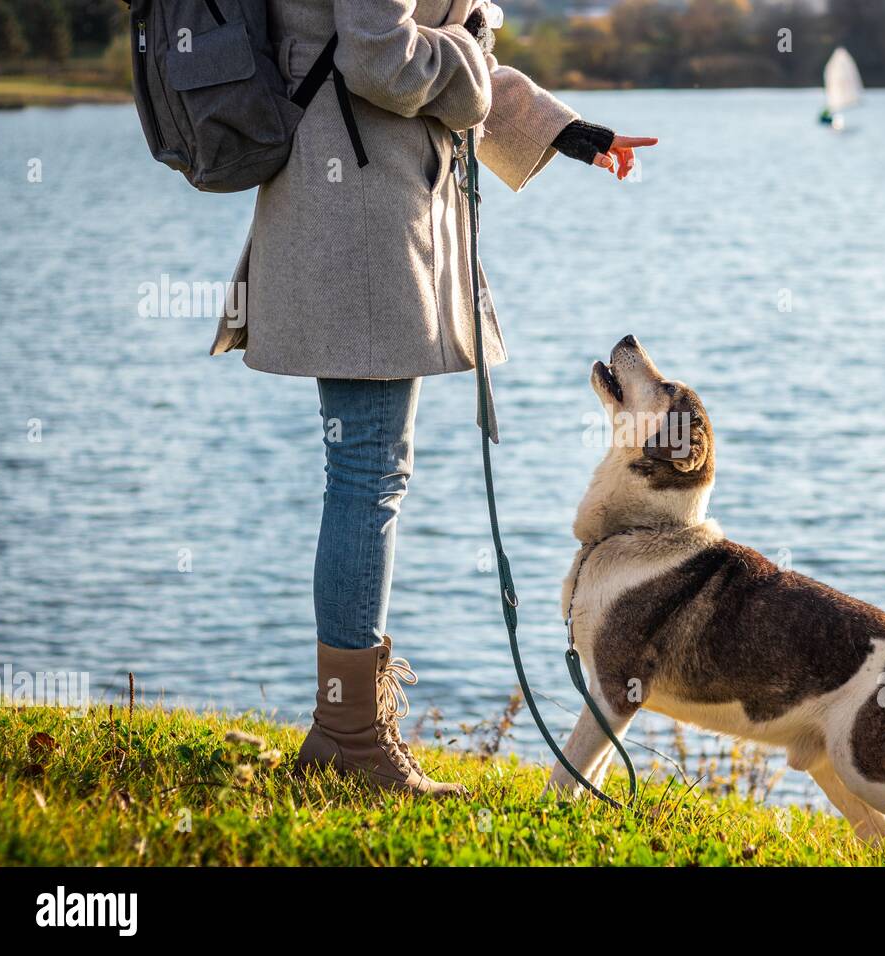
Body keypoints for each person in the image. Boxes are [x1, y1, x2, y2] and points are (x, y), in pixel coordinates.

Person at [208, 0, 656, 796]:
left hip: (363, 206)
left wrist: (563, 131)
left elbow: (443, 54)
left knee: (367, 465)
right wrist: (473, 62)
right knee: (367, 470)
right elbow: (381, 57)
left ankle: (345, 727)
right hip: (359, 218)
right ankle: (348, 733)